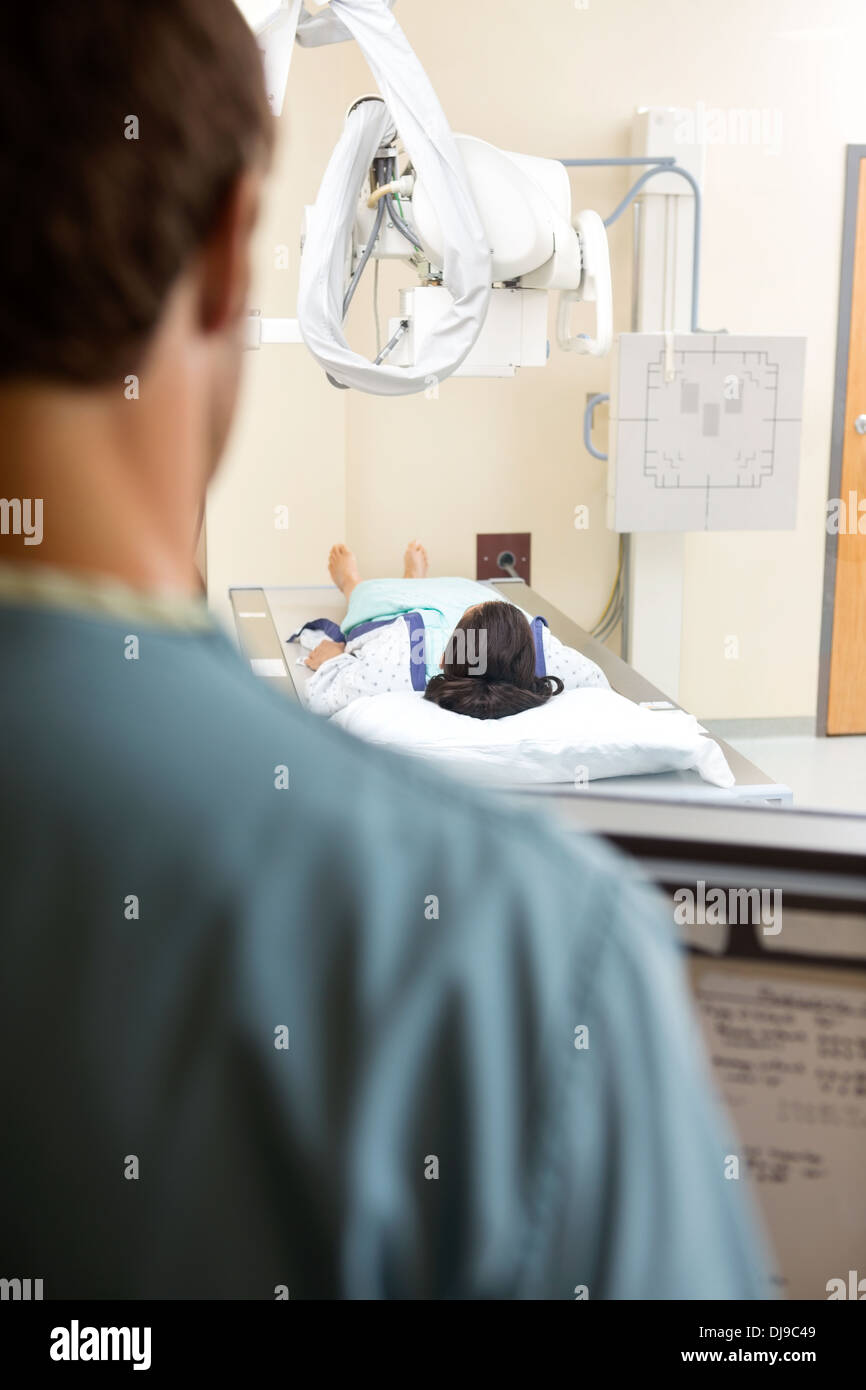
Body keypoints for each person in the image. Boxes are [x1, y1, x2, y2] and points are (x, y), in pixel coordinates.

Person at [0, 0, 771, 1299]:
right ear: (233, 251)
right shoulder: (516, 963)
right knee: (382, 590)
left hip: (395, 633)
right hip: (403, 635)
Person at [301, 540, 609, 717]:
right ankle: (414, 579)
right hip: (466, 590)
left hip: (407, 614)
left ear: (445, 658)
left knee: (368, 597)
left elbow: (325, 694)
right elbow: (600, 688)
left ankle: (351, 582)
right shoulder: (554, 662)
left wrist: (332, 659)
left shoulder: (398, 664)